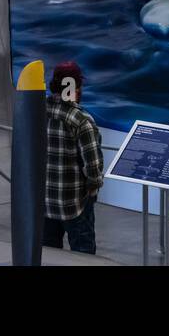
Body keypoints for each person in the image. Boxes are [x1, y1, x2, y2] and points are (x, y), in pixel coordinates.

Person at [43, 61, 105, 255]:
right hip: (75, 204)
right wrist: (94, 188)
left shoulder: (36, 112)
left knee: (49, 256)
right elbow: (93, 168)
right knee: (83, 255)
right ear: (75, 87)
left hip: (44, 202)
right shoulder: (81, 121)